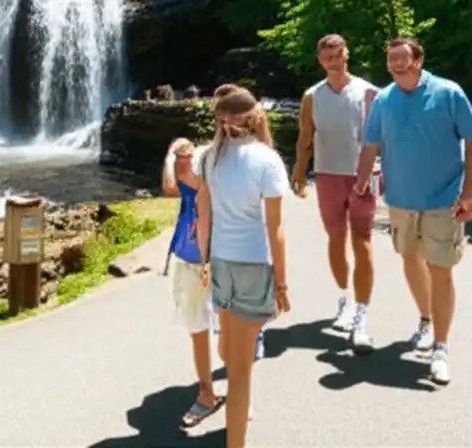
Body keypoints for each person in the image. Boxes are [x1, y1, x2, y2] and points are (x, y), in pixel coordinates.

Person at [355, 37, 472, 386]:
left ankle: (441, 347)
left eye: (402, 58)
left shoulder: (448, 93)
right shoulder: (384, 99)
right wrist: (361, 182)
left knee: (440, 269)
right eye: (391, 59)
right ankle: (425, 321)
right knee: (410, 259)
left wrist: (469, 194)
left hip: (444, 200)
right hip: (400, 200)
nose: (396, 64)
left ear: (419, 60)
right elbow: (371, 144)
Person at [196, 87, 291, 448]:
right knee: (240, 372)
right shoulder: (267, 161)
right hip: (254, 265)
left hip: (221, 262)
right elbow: (275, 230)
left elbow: (204, 215)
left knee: (232, 353)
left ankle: (239, 399)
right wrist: (282, 284)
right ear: (255, 118)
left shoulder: (209, 158)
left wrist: (204, 260)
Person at [292, 34, 380, 354]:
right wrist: (299, 171)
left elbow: (383, 137)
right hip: (327, 175)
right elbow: (305, 136)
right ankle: (344, 297)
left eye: (337, 54)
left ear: (347, 54)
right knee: (335, 237)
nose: (332, 60)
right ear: (320, 60)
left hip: (361, 176)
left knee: (362, 239)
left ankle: (362, 312)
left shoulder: (370, 92)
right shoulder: (311, 96)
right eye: (326, 56)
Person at [161, 137, 224, 427]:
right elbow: (169, 187)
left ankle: (232, 390)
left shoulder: (211, 170)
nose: (181, 164)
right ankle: (207, 392)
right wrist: (171, 152)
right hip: (191, 258)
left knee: (231, 325)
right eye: (179, 160)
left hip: (219, 256)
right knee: (197, 324)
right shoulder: (193, 170)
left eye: (184, 160)